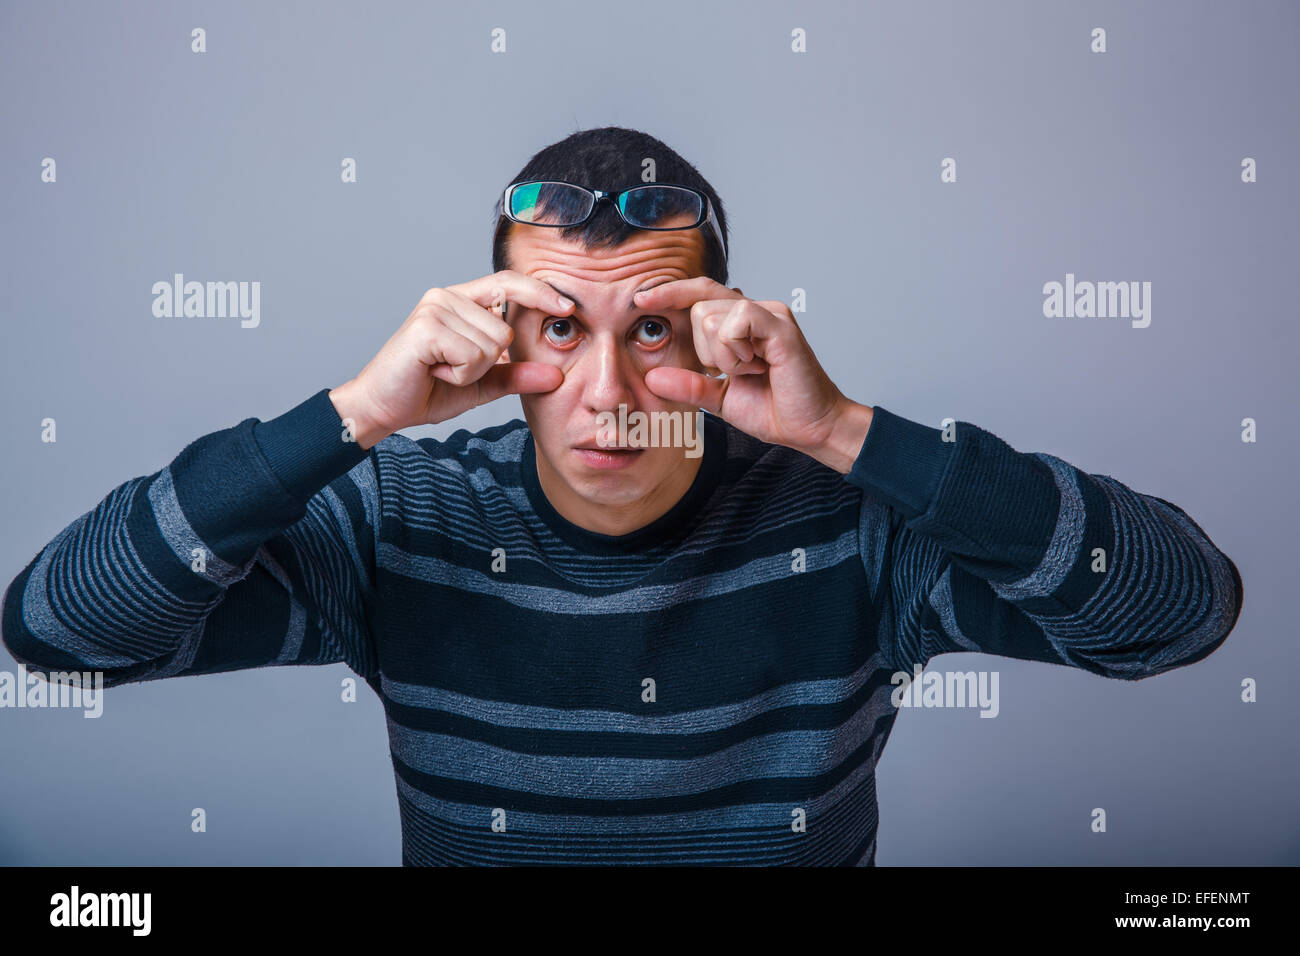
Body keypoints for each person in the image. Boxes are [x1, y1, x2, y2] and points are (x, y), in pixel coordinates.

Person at [1, 126, 1244, 866]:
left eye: (652, 327)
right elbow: (56, 633)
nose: (602, 389)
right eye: (554, 325)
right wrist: (352, 415)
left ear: (725, 329)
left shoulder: (854, 525)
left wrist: (851, 432)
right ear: (490, 339)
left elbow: (1177, 615)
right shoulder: (403, 519)